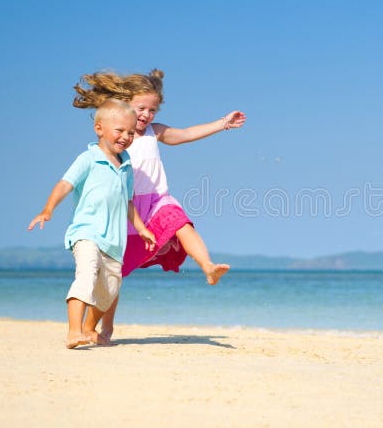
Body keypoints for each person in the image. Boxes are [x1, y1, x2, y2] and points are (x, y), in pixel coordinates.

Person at [72, 69, 246, 344]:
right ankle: (98, 327)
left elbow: (187, 133)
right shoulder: (118, 138)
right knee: (113, 275)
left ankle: (208, 266)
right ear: (124, 103)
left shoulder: (155, 132)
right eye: (141, 108)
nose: (146, 115)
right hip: (125, 211)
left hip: (156, 201)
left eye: (152, 110)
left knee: (180, 222)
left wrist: (223, 122)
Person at [28, 99, 156, 348]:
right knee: (86, 275)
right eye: (119, 130)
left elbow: (127, 201)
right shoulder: (88, 158)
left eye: (131, 132)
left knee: (109, 290)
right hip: (86, 233)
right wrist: (48, 209)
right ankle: (74, 331)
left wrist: (141, 228)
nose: (126, 136)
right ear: (99, 129)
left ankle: (89, 329)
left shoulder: (127, 164)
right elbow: (65, 183)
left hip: (114, 242)